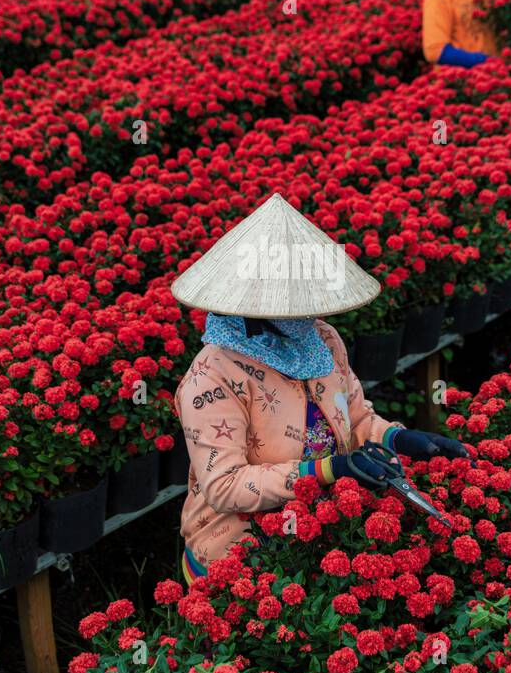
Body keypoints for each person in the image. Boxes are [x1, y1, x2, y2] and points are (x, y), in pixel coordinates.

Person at [169, 193, 468, 586]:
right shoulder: (212, 377)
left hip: (321, 534)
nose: (309, 315)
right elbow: (225, 485)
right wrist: (326, 470)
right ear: (253, 307)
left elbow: (355, 418)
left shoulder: (321, 340)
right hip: (238, 558)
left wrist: (400, 438)